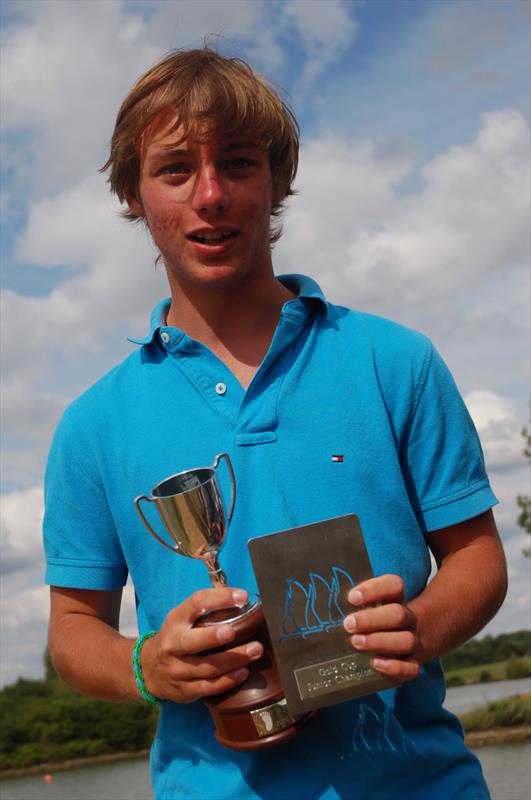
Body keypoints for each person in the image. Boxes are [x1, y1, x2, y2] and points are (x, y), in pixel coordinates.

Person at [44, 48, 508, 800]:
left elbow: (477, 558)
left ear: (278, 179)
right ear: (130, 193)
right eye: (172, 170)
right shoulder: (91, 425)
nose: (210, 194)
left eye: (236, 163)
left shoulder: (394, 360)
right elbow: (72, 628)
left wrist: (419, 628)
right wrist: (147, 665)